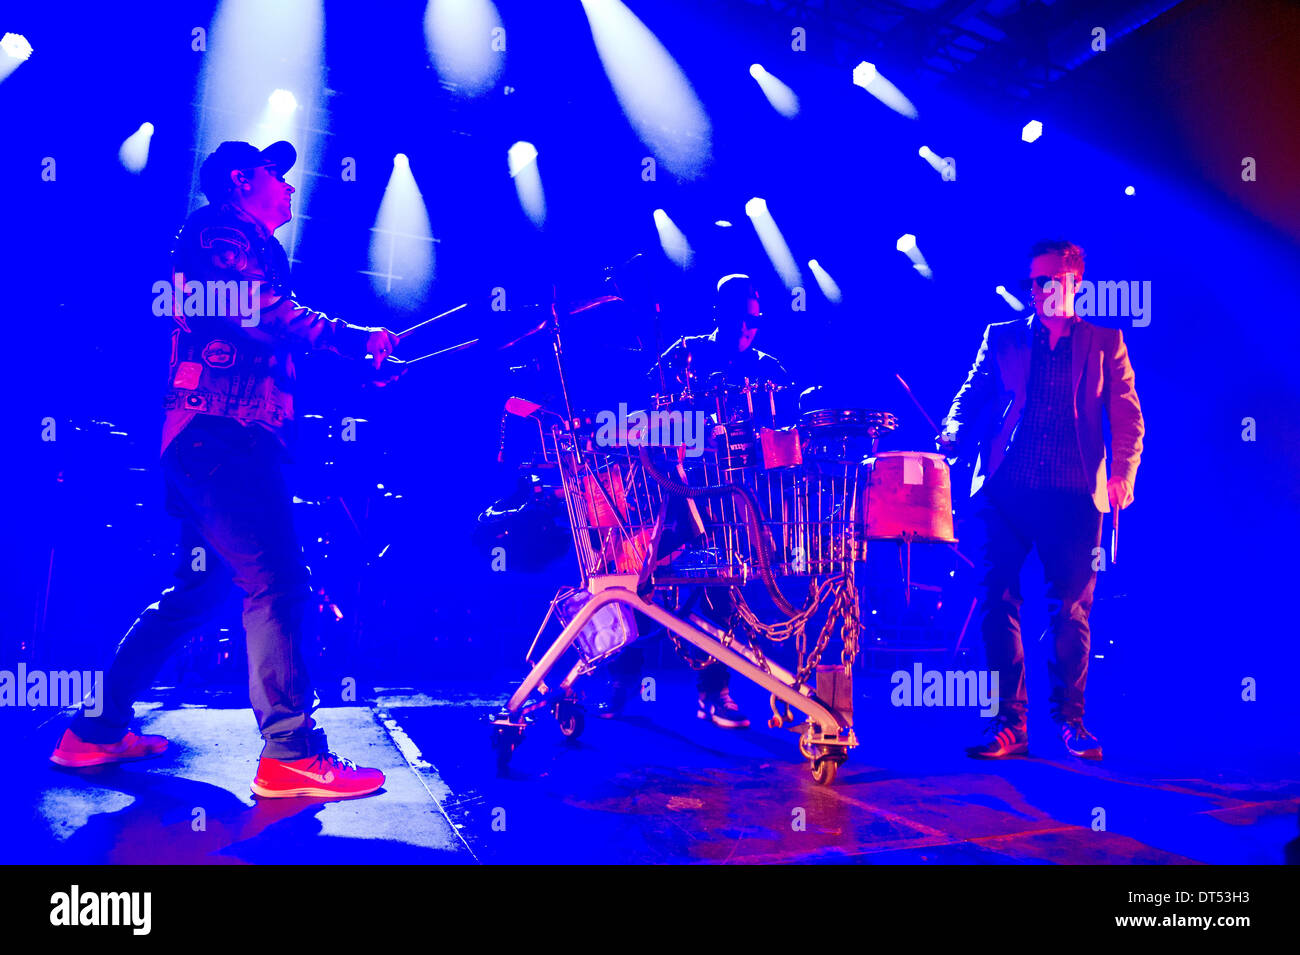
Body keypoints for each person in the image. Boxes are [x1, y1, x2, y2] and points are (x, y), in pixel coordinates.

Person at [49, 141, 401, 799]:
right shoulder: (218, 229)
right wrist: (356, 340)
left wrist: (358, 361)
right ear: (242, 181)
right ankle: (290, 753)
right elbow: (257, 312)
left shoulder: (242, 242)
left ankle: (93, 732)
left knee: (199, 592)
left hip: (207, 439)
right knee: (280, 579)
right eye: (279, 177)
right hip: (221, 437)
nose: (292, 190)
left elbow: (264, 337)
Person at [938, 240, 1143, 760]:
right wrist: (956, 424)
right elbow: (973, 390)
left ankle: (1070, 721)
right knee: (995, 601)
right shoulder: (1002, 336)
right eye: (1033, 280)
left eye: (1049, 279)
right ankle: (1008, 723)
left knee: (1070, 610)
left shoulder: (1104, 340)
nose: (1038, 289)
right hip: (1006, 492)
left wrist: (1122, 475)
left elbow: (1126, 416)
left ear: (1075, 283)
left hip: (1074, 497)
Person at [598, 274, 793, 728]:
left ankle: (716, 691)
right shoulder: (686, 353)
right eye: (740, 318)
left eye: (755, 321)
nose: (748, 329)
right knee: (642, 582)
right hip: (674, 490)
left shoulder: (770, 370)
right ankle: (623, 679)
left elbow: (785, 431)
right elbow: (640, 412)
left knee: (722, 588)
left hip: (733, 498)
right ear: (719, 314)